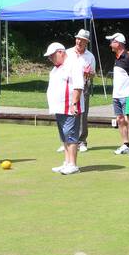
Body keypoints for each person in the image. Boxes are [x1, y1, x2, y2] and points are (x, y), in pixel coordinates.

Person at [45, 42, 84, 175]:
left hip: (70, 107)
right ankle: (67, 162)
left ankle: (73, 164)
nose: (50, 59)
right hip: (59, 107)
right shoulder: (57, 67)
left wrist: (74, 104)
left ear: (60, 52)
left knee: (71, 135)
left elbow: (78, 86)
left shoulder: (74, 64)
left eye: (52, 56)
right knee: (64, 135)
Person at [106, 32, 129, 156]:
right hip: (116, 95)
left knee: (128, 118)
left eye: (112, 41)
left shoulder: (128, 56)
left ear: (119, 43)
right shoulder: (116, 57)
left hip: (127, 94)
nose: (110, 44)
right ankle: (125, 144)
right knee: (120, 119)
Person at [63, 29, 97, 152]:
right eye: (78, 39)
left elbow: (93, 74)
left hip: (83, 86)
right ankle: (67, 141)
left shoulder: (90, 56)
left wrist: (89, 73)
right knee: (67, 113)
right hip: (68, 86)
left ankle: (82, 141)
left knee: (82, 113)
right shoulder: (67, 53)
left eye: (82, 40)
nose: (79, 41)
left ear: (86, 42)